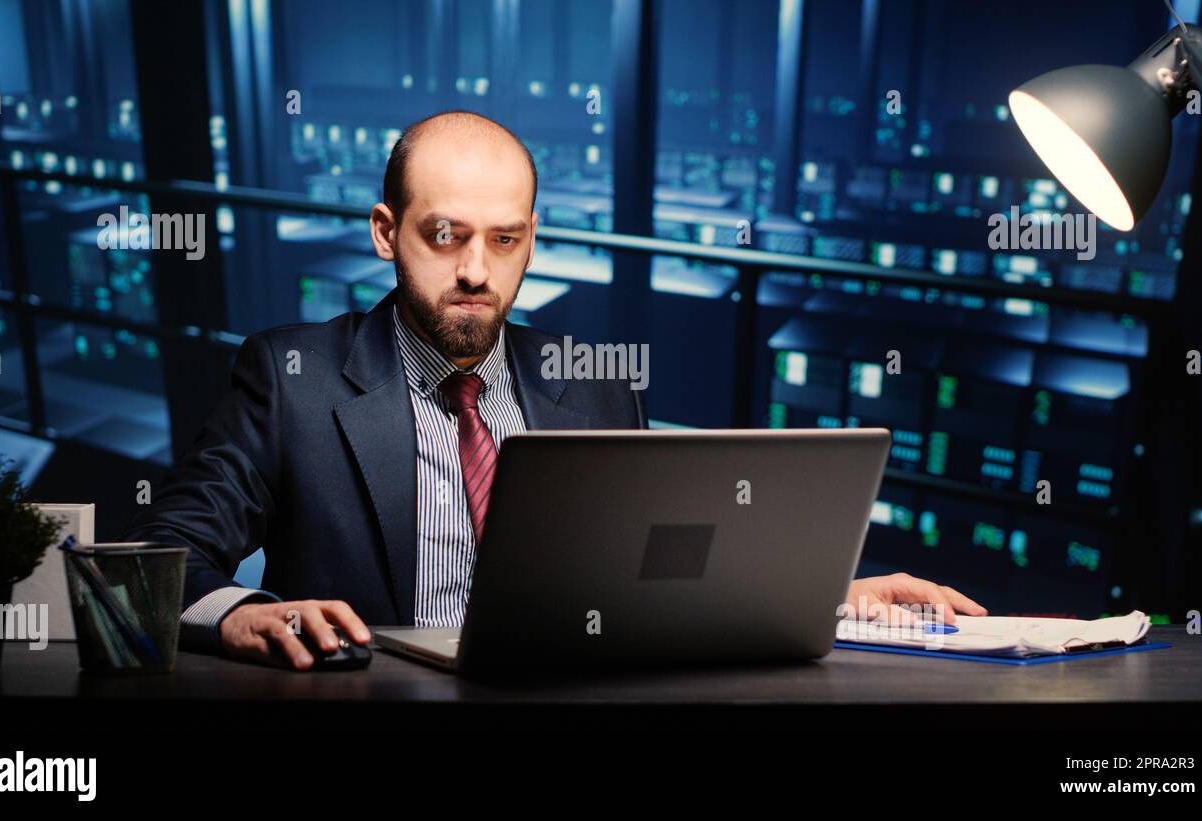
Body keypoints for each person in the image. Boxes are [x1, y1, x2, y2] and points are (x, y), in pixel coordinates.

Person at [123, 110, 986, 670]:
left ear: (533, 239)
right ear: (386, 233)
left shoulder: (598, 387)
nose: (474, 271)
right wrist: (245, 615)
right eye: (444, 235)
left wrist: (834, 593)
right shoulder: (290, 376)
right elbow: (165, 556)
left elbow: (667, 584)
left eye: (504, 241)